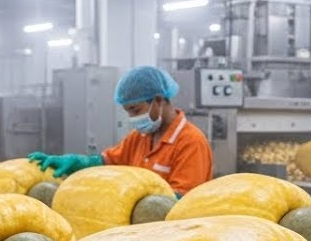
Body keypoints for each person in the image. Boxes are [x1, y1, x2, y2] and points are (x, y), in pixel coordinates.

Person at [29, 65, 212, 195]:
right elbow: (106, 162)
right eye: (128, 112)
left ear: (158, 100)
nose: (132, 118)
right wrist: (74, 162)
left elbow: (184, 200)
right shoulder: (139, 137)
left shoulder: (191, 142)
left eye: (135, 110)